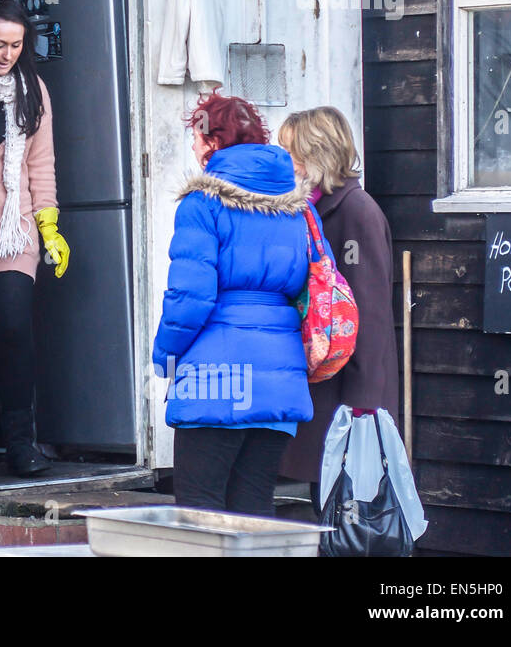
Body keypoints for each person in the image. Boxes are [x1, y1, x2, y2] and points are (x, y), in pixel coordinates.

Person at [153, 91, 320, 516]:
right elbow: (317, 283)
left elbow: (190, 298)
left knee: (199, 510)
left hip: (217, 376)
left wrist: (165, 356)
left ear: (214, 142)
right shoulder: (300, 210)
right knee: (253, 510)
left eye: (196, 137)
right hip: (280, 374)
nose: (193, 146)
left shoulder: (202, 203)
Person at [0, 0, 70, 477]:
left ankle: (20, 445)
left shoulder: (33, 91)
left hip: (14, 233)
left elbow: (40, 165)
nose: (6, 54)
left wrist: (50, 227)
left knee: (14, 334)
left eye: (16, 45)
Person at [277, 106, 398, 514]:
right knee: (326, 504)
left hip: (350, 401)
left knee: (343, 514)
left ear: (317, 155)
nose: (286, 162)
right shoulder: (311, 210)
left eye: (291, 153)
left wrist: (364, 404)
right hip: (326, 392)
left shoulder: (356, 211)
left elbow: (373, 317)